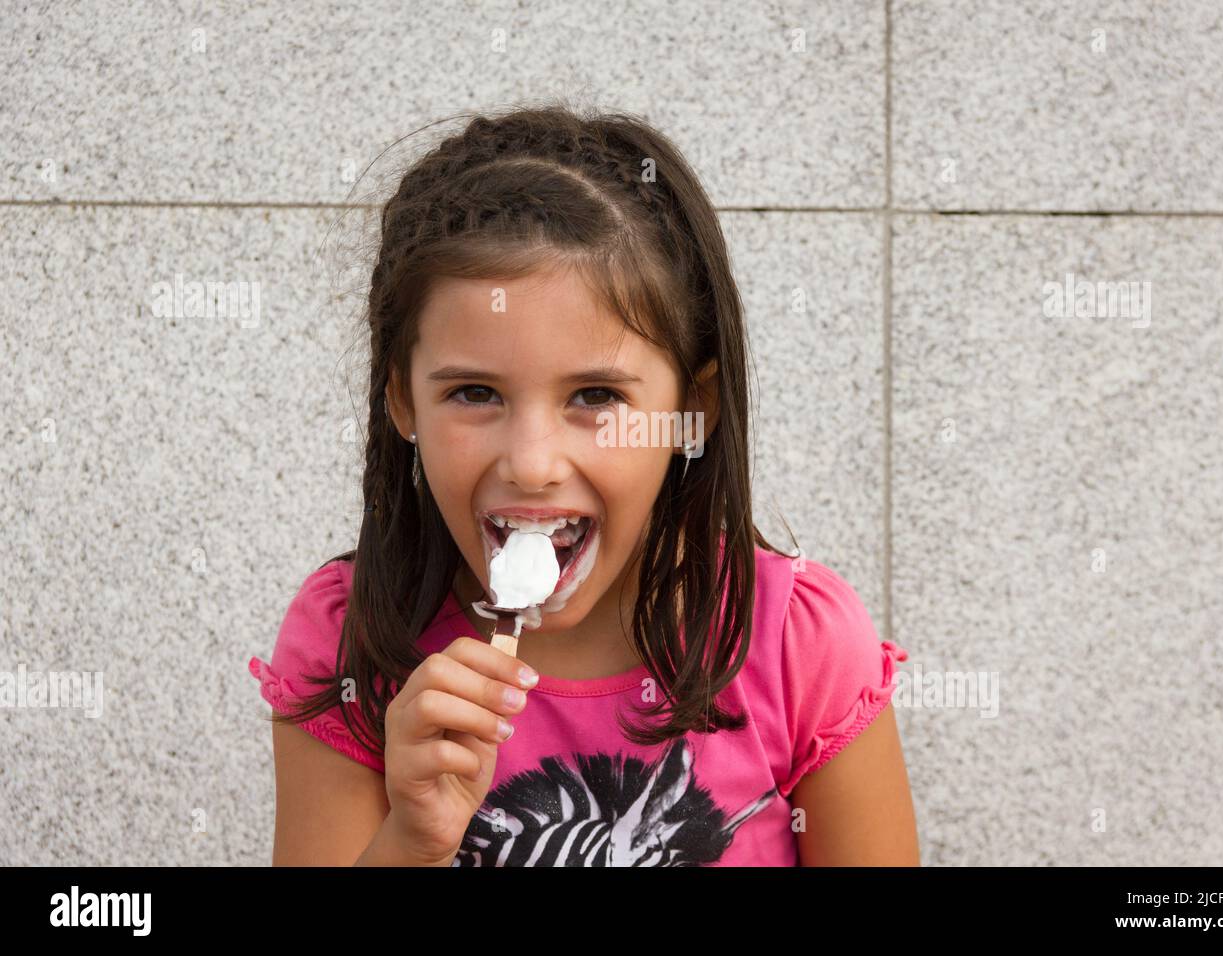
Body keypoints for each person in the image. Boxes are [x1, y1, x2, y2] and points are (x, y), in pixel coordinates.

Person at [248, 103, 918, 866]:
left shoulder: (795, 646)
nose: (532, 463)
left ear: (688, 412)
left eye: (596, 398)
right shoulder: (351, 646)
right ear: (402, 400)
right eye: (474, 393)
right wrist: (412, 840)